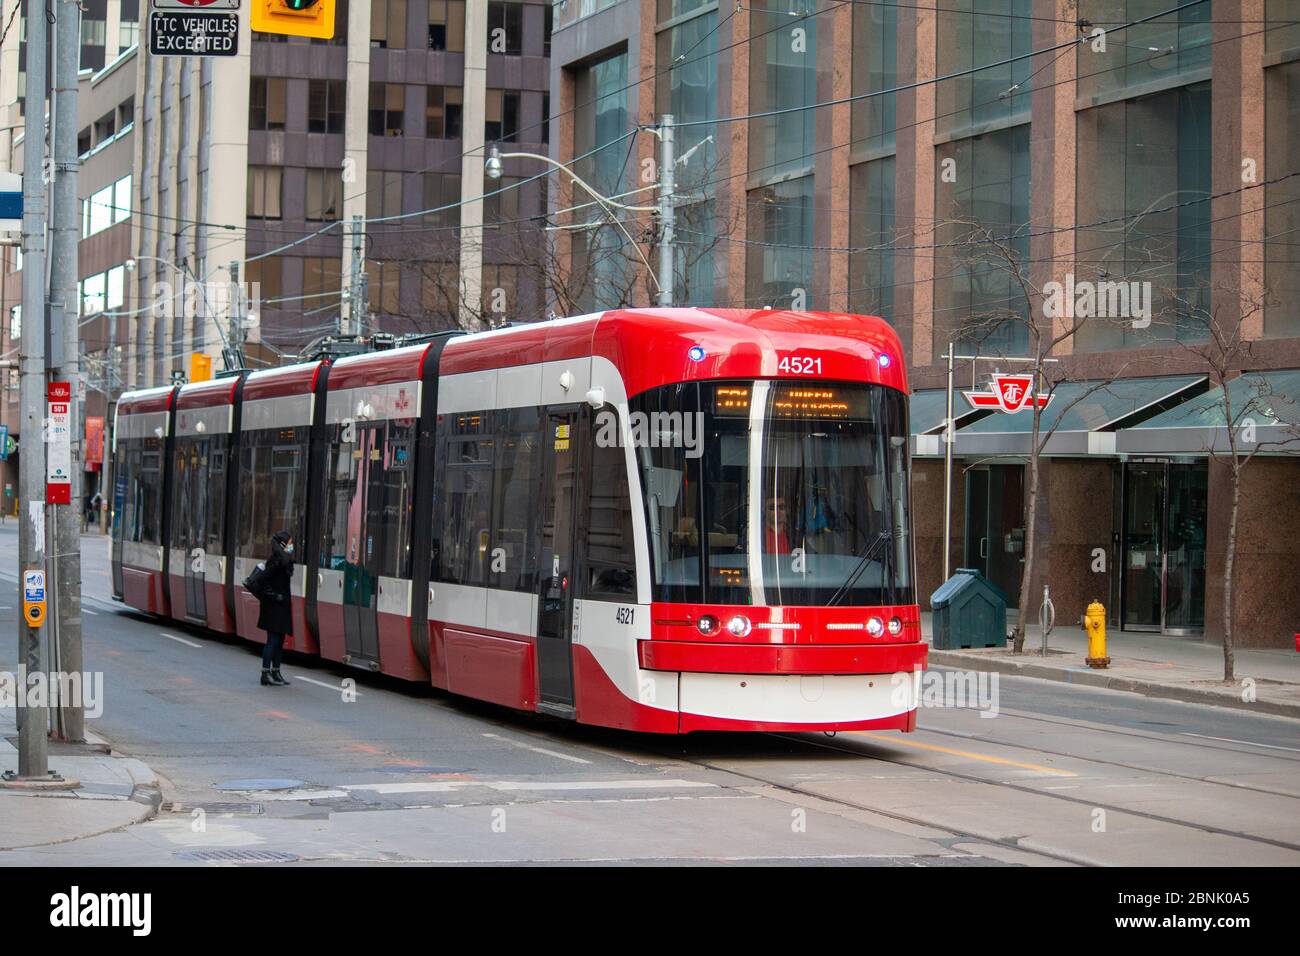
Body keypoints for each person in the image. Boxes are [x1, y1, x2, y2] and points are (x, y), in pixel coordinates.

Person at [257, 530, 295, 687]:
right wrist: (274, 596)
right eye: (289, 544)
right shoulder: (275, 560)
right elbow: (262, 580)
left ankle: (276, 672)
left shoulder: (286, 560)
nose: (292, 547)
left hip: (282, 605)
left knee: (280, 640)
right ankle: (265, 674)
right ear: (282, 545)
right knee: (272, 640)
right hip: (273, 605)